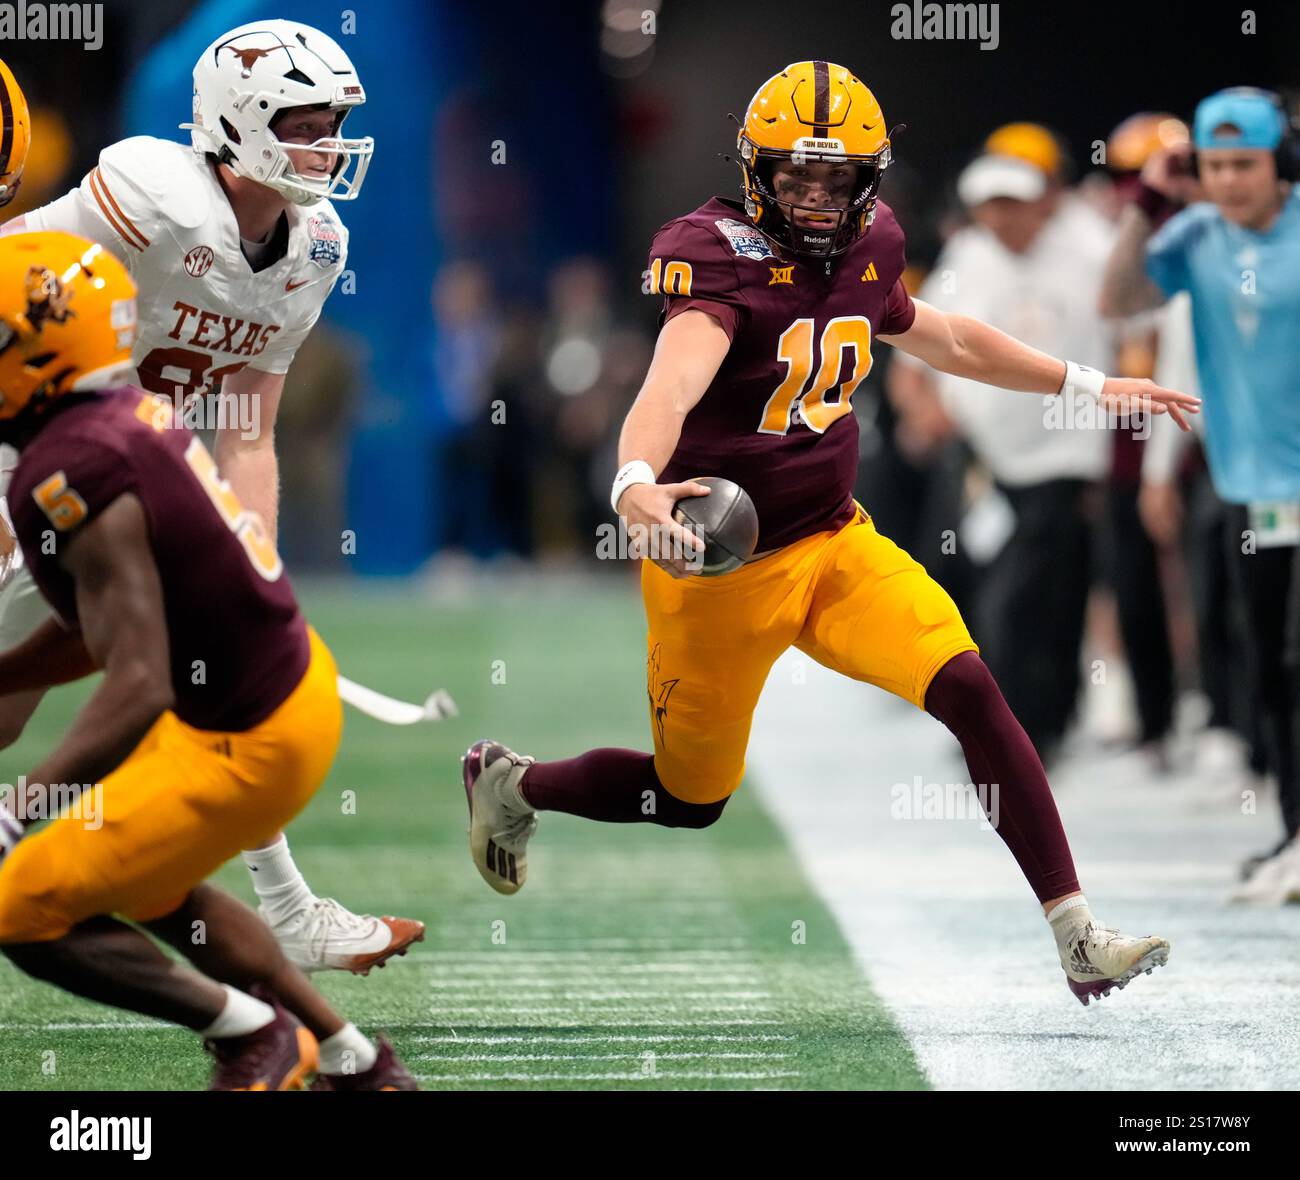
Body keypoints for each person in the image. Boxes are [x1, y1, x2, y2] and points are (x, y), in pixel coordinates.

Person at [463, 61, 1198, 1004]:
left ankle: (1075, 931)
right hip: (719, 569)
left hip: (833, 540)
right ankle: (515, 785)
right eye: (795, 175)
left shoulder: (876, 243)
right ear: (754, 170)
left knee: (970, 685)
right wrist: (636, 477)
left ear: (870, 181)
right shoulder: (714, 253)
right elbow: (671, 383)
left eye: (837, 178)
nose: (815, 196)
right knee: (690, 800)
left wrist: (1090, 386)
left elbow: (945, 336)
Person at [0, 21, 422, 969]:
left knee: (220, 670)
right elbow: (9, 269)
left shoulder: (316, 245)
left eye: (334, 121)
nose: (331, 141)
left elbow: (247, 422)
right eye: (307, 121)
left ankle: (290, 913)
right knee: (12, 705)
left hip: (138, 473)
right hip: (34, 459)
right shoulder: (155, 196)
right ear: (238, 124)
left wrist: (254, 554)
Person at [0, 230, 414, 1089]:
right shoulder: (115, 423)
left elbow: (140, 679)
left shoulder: (69, 467)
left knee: (19, 907)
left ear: (41, 351)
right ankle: (354, 1058)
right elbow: (99, 626)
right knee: (154, 888)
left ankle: (254, 1034)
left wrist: (20, 805)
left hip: (241, 736)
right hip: (279, 693)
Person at [1100, 86, 1300, 902]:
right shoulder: (1193, 236)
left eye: (1244, 164)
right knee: (1272, 673)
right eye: (1212, 166)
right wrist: (1149, 196)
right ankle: (1292, 832)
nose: (1227, 181)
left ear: (1281, 162)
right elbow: (1117, 303)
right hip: (1250, 489)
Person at [890, 146, 1114, 764]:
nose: (1002, 218)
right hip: (987, 459)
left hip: (1066, 459)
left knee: (1052, 593)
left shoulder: (1089, 251)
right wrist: (922, 409)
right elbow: (918, 344)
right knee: (983, 587)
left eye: (1014, 203)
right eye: (990, 205)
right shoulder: (967, 261)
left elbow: (1129, 330)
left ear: (1044, 202)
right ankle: (1004, 726)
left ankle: (1041, 725)